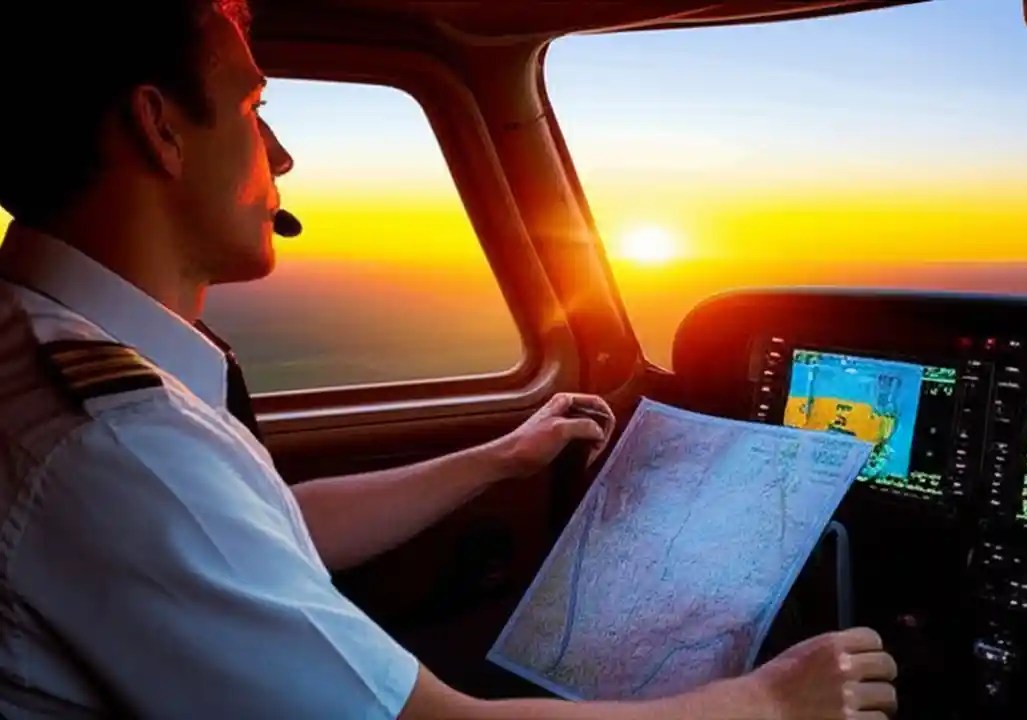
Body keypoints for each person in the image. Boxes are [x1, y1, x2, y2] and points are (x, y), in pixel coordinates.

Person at [0, 1, 898, 718]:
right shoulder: (118, 448)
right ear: (159, 127)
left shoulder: (42, 349)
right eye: (253, 109)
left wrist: (501, 458)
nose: (281, 155)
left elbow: (266, 525)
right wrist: (765, 704)